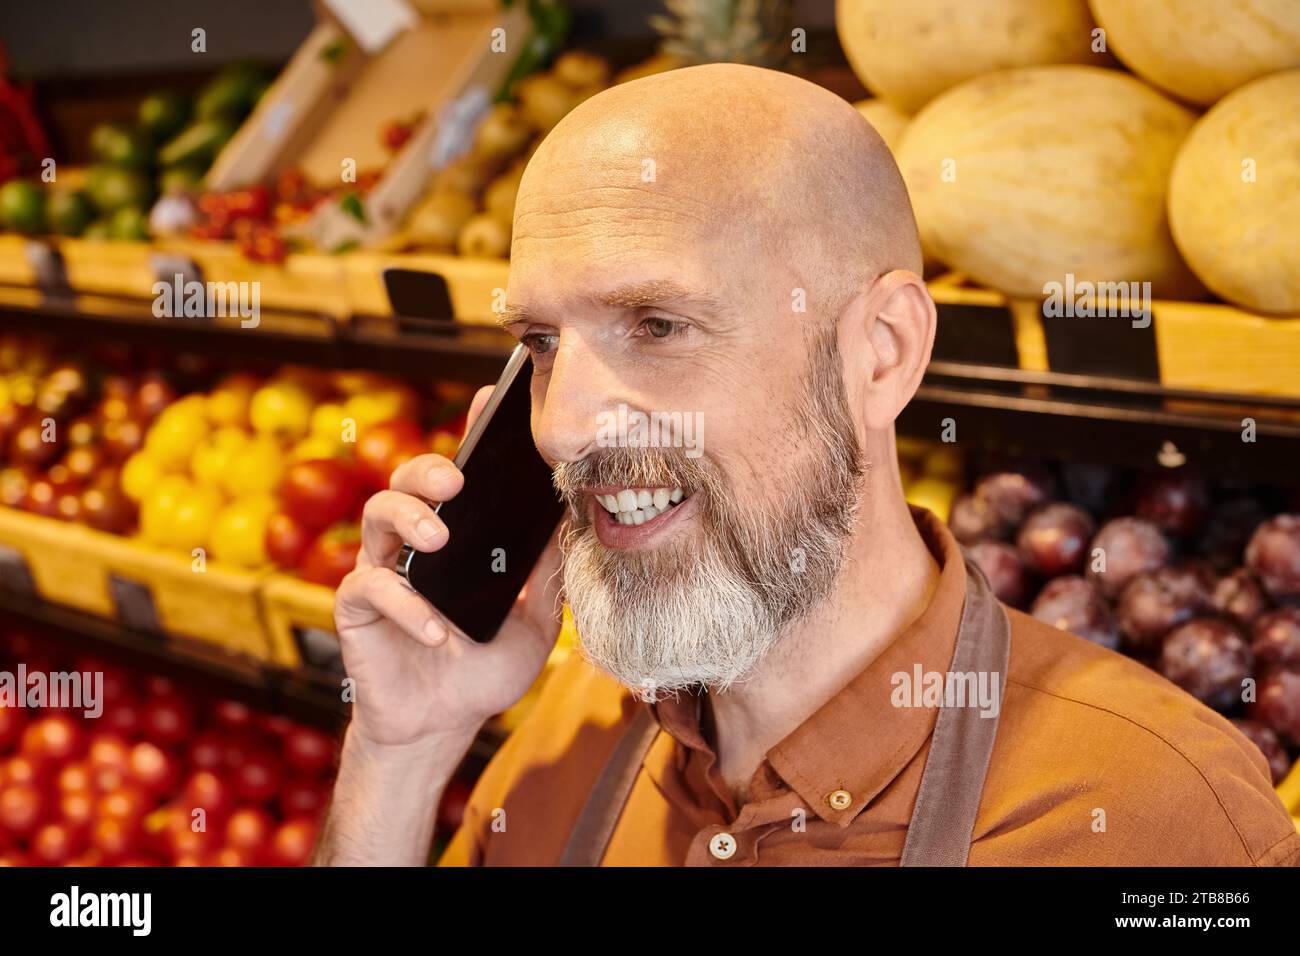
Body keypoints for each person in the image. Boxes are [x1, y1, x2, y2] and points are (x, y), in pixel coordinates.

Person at [313, 64, 1298, 867]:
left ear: (880, 352)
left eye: (657, 324)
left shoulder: (1151, 816)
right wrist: (399, 754)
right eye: (539, 341)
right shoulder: (569, 720)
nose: (562, 426)